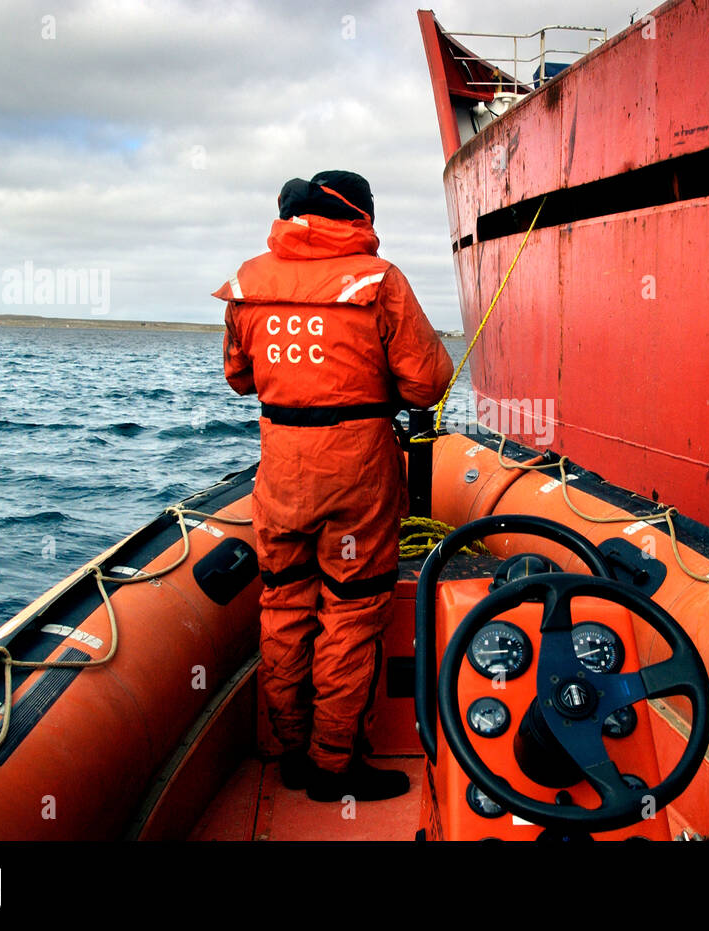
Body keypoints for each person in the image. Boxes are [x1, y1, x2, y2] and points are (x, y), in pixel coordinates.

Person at [214, 171, 453, 802]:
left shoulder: (250, 282)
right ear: (360, 215)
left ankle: (287, 750)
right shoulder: (380, 281)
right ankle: (334, 765)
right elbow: (428, 383)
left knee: (285, 603)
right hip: (356, 473)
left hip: (282, 472)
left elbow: (239, 377)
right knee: (351, 612)